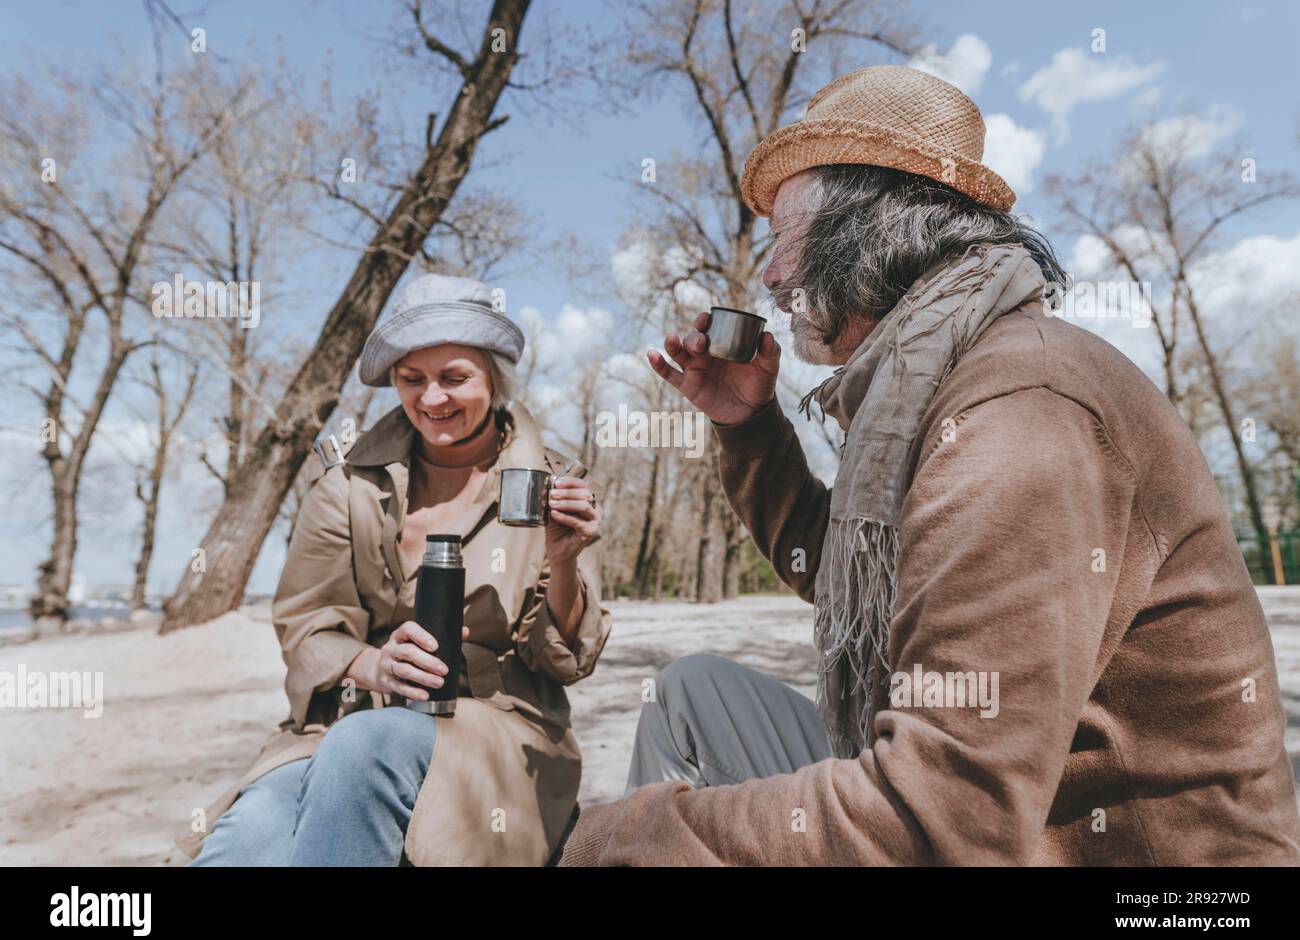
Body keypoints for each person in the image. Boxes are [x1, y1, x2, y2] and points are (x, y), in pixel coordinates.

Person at [559, 65, 1300, 865]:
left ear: (870, 227)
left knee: (648, 833)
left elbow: (945, 823)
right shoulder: (934, 379)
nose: (769, 275)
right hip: (1015, 809)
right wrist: (750, 428)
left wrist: (599, 841)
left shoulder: (1022, 407)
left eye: (782, 238)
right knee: (693, 693)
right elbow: (852, 570)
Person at [180, 274, 611, 866]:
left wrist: (564, 562)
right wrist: (373, 664)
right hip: (343, 722)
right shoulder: (346, 487)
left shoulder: (553, 484)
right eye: (412, 380)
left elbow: (568, 660)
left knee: (367, 747)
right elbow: (306, 628)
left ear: (494, 377)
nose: (432, 399)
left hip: (497, 730)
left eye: (454, 377)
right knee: (245, 842)